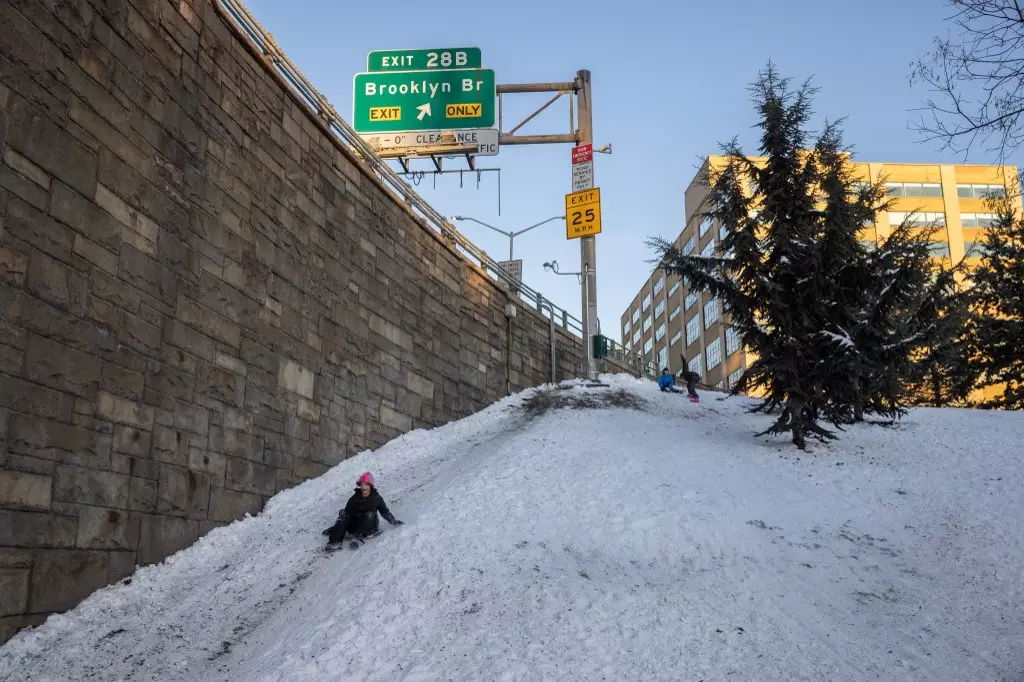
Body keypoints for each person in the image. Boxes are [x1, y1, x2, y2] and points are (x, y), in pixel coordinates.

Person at [323, 472, 403, 548]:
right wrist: (336, 528)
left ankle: (358, 538)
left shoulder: (376, 498)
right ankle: (335, 542)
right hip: (356, 525)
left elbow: (385, 512)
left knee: (370, 514)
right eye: (362, 485)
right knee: (343, 512)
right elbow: (346, 514)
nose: (363, 487)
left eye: (366, 485)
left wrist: (393, 521)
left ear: (370, 486)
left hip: (370, 527)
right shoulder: (354, 498)